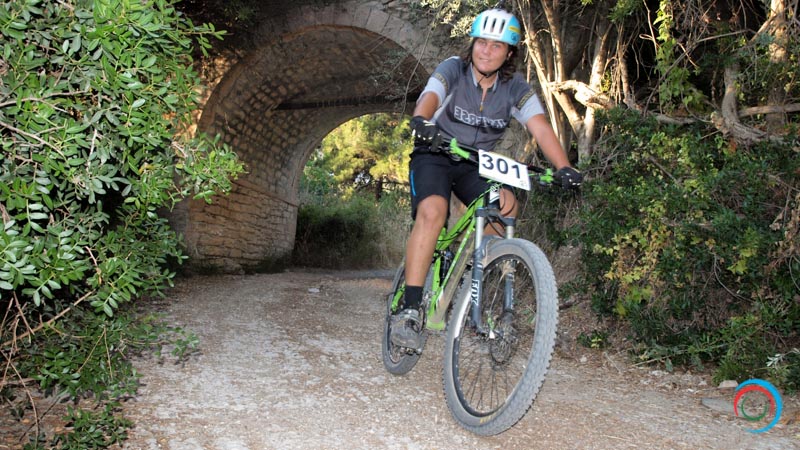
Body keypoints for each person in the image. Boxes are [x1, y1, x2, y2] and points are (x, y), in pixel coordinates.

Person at [390, 7, 582, 350]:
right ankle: (409, 310)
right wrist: (422, 120)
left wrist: (564, 166)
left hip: (476, 164)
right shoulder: (454, 68)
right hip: (435, 153)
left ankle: (471, 282)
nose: (486, 51)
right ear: (473, 43)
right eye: (482, 42)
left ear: (509, 53)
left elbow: (540, 127)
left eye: (497, 45)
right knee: (433, 212)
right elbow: (431, 96)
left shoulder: (515, 88)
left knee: (506, 206)